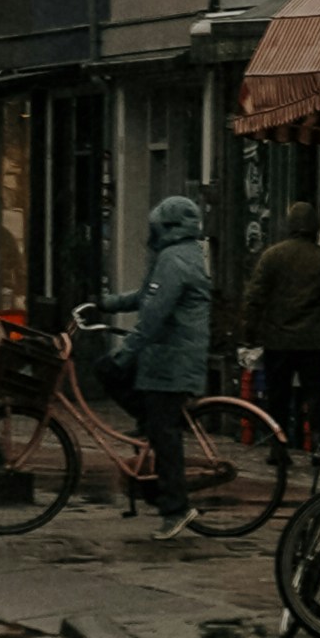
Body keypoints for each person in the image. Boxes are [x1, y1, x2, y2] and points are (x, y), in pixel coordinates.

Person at [121, 185, 217, 526]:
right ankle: (156, 483)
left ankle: (175, 507)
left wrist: (129, 348)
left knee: (163, 428)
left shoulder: (174, 259)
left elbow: (155, 312)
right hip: (169, 356)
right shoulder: (179, 254)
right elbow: (148, 295)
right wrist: (107, 302)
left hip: (172, 359)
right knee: (154, 418)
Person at [241, 211, 320, 459]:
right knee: (315, 394)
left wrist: (249, 333)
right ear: (314, 228)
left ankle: (278, 444)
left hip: (278, 339)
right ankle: (318, 443)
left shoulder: (272, 256)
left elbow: (255, 298)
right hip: (311, 340)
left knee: (279, 395)